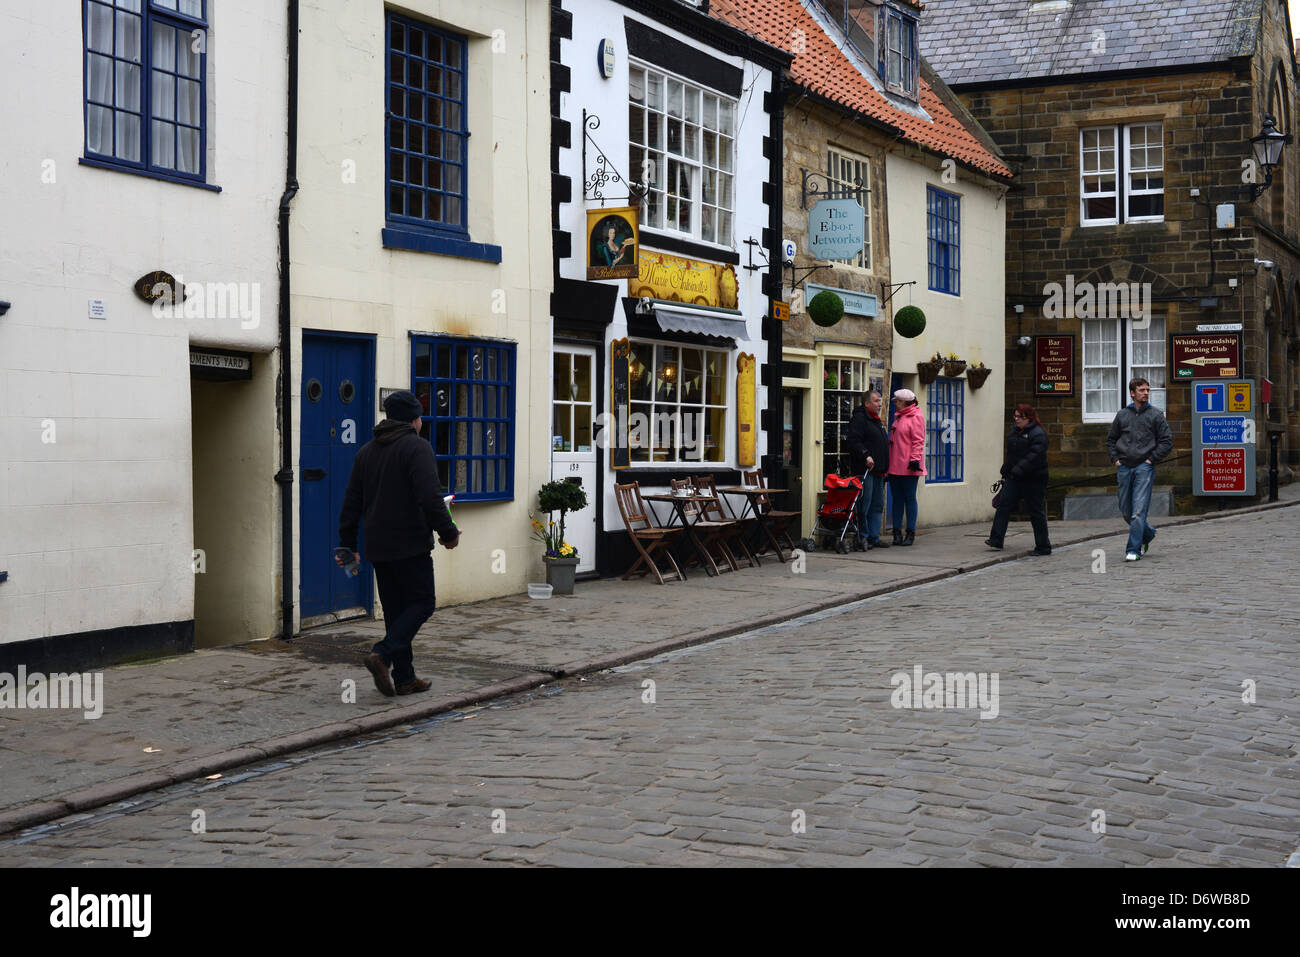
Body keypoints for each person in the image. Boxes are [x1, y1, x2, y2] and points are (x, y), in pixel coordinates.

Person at [337, 390, 460, 697]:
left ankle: (405, 678)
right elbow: (430, 497)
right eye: (420, 416)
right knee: (422, 602)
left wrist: (347, 543)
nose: (422, 422)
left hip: (378, 545)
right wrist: (448, 533)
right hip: (409, 543)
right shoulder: (416, 448)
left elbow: (351, 502)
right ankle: (383, 654)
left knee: (396, 612)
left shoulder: (366, 452)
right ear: (414, 419)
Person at [1106, 377, 1173, 562]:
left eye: (1147, 390)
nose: (1146, 393)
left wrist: (1151, 459)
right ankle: (1148, 533)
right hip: (1124, 467)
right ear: (1132, 393)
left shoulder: (1156, 415)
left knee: (1138, 511)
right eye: (1142, 390)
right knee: (1126, 510)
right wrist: (1115, 459)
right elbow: (1111, 440)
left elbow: (1167, 441)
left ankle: (1133, 549)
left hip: (1144, 467)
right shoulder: (1122, 415)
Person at [985, 403, 1052, 555]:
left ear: (1028, 418)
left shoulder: (1038, 434)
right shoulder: (1014, 432)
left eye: (1019, 417)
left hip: (1034, 478)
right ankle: (996, 539)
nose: (1016, 419)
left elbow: (1034, 457)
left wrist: (1017, 470)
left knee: (1036, 512)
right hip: (1015, 477)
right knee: (1003, 505)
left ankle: (1043, 546)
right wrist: (1005, 473)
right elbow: (1011, 455)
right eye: (1015, 416)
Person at [845, 390, 891, 550]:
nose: (880, 404)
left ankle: (874, 536)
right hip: (866, 470)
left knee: (877, 505)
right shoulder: (860, 419)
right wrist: (866, 455)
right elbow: (853, 441)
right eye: (877, 401)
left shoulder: (876, 420)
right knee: (865, 504)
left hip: (879, 471)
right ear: (867, 403)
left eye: (880, 400)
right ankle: (863, 537)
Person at [887, 388, 925, 546]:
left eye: (896, 400)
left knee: (909, 499)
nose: (895, 403)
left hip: (909, 465)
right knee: (897, 499)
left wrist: (915, 459)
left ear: (903, 402)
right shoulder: (900, 416)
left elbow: (918, 440)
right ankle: (896, 533)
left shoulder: (916, 416)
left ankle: (910, 532)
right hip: (895, 464)